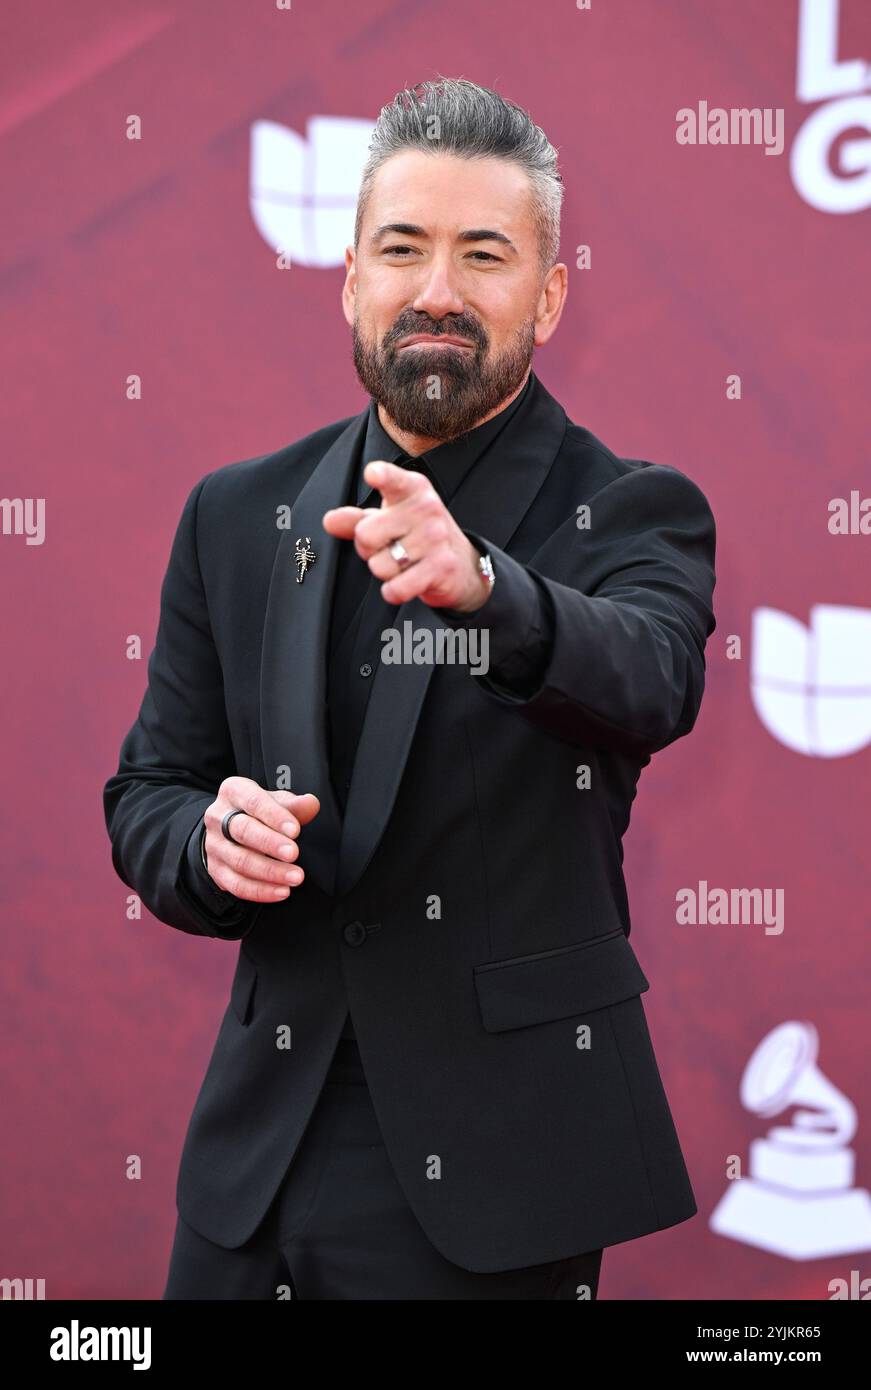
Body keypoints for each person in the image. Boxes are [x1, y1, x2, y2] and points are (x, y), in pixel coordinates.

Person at [103, 77, 717, 1300]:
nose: (435, 291)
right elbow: (149, 789)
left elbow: (649, 676)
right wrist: (207, 841)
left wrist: (490, 589)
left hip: (497, 1176)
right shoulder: (236, 512)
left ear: (547, 295)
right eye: (402, 248)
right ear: (348, 278)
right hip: (253, 1165)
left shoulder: (634, 507)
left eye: (483, 255)